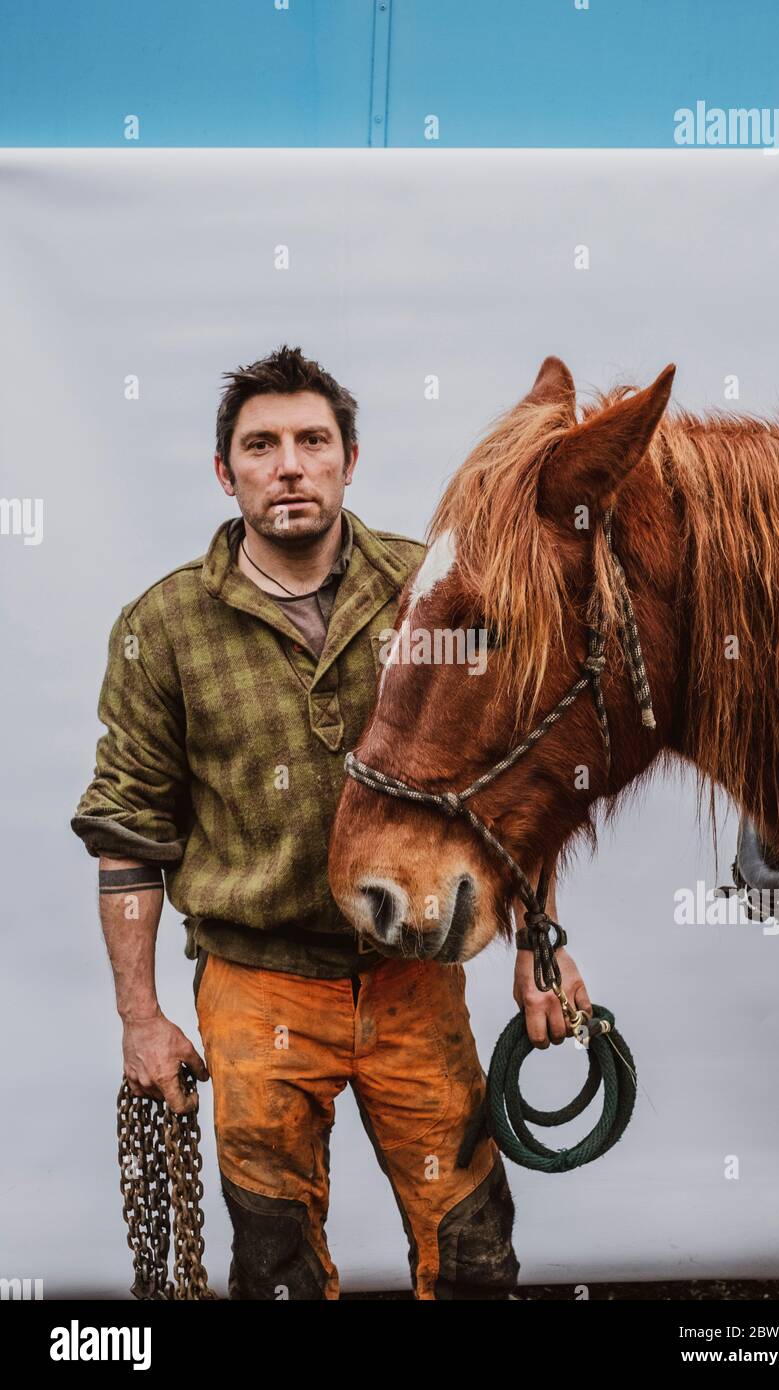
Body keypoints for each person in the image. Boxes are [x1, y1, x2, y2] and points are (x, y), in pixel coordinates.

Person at [70, 344, 591, 1300]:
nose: (290, 464)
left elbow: (513, 776)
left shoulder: (432, 592)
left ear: (351, 459)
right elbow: (126, 834)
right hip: (254, 988)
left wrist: (539, 949)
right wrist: (140, 1018)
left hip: (413, 982)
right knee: (276, 1270)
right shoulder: (165, 627)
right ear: (226, 473)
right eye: (261, 446)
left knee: (475, 1255)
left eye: (314, 440)